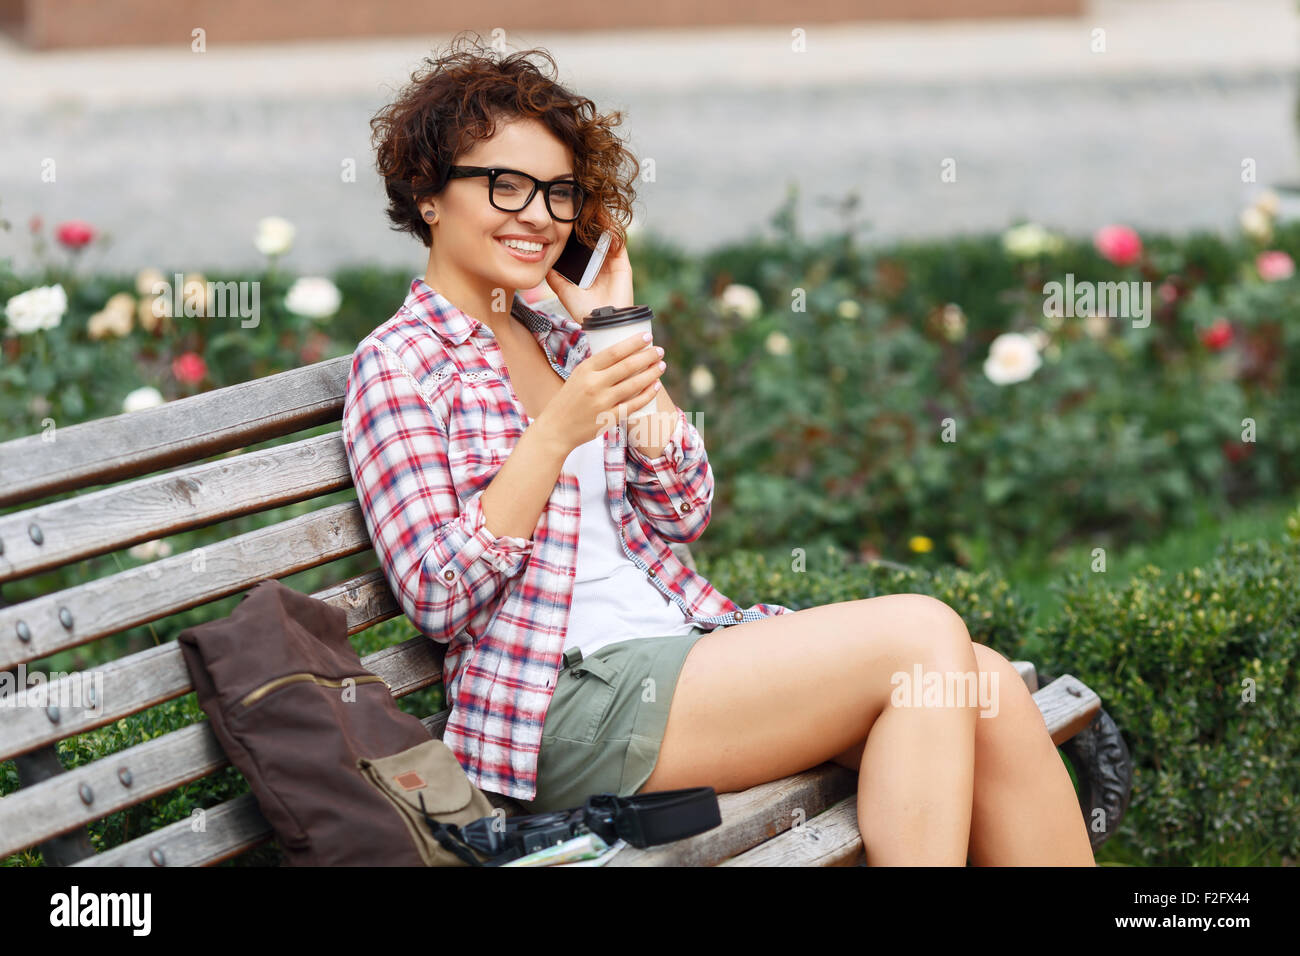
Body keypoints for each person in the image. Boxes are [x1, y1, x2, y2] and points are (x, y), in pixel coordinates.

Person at [343, 31, 1095, 866]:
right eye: (505, 185)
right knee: (923, 635)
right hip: (556, 704)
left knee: (979, 684)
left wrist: (614, 333)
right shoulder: (399, 364)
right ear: (428, 195)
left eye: (559, 194)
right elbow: (439, 595)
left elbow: (684, 506)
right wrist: (554, 434)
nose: (539, 216)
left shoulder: (560, 337)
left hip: (683, 652)